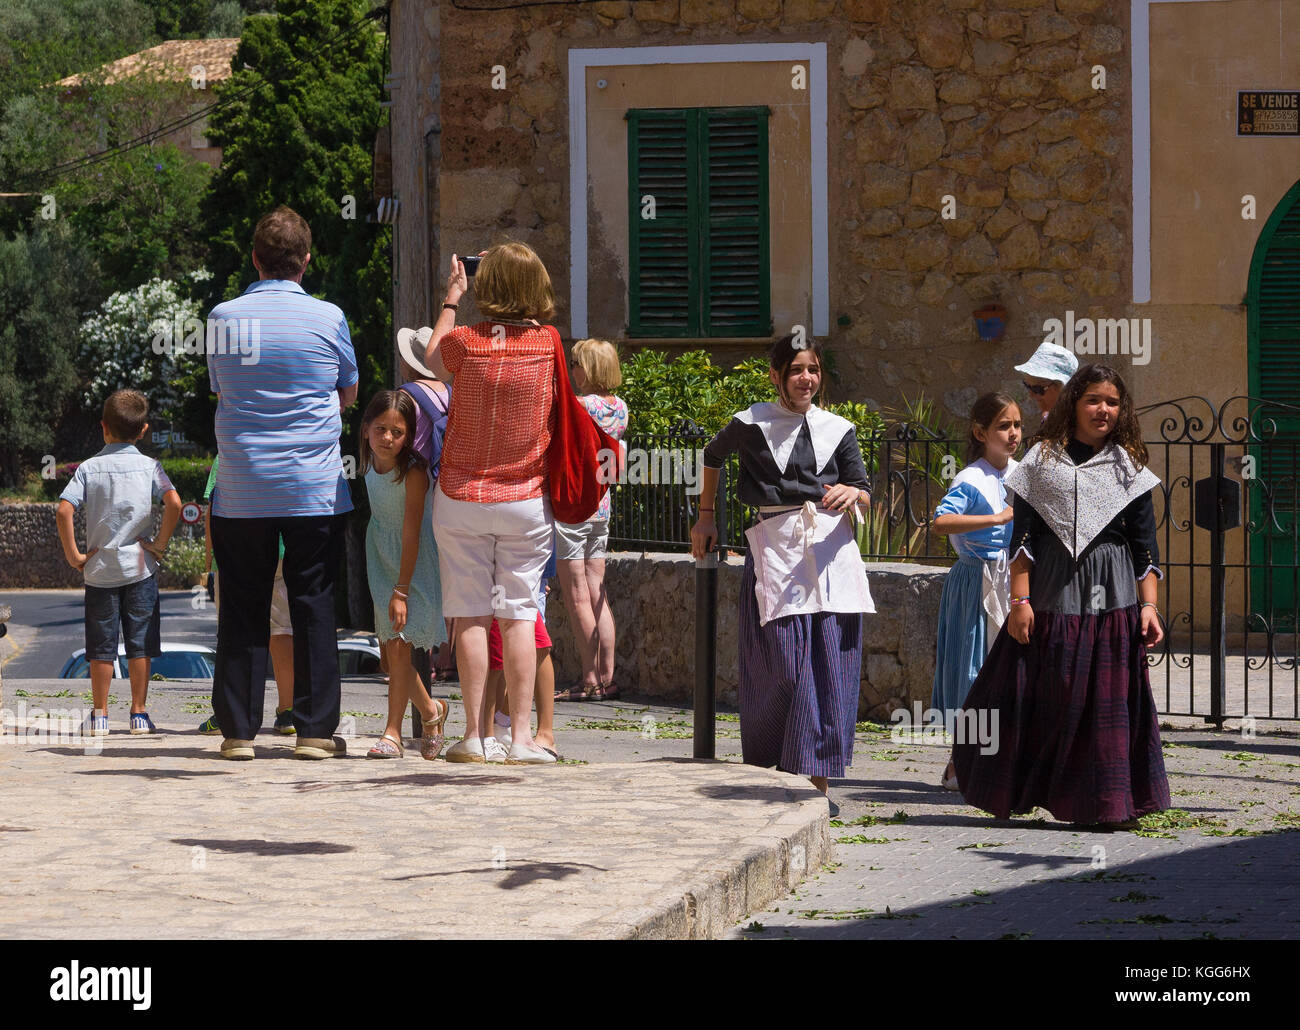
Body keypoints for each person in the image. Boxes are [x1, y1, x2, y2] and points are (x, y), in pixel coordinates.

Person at [953, 364, 1170, 827]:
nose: (1103, 409)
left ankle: (1102, 804)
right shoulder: (1041, 461)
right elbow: (1023, 539)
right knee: (1047, 692)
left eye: (1112, 402)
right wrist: (1020, 602)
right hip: (1052, 593)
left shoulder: (1128, 467)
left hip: (1112, 597)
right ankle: (1023, 787)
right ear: (1074, 403)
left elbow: (1145, 546)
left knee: (1103, 700)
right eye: (1094, 400)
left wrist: (1149, 606)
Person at [690, 334, 874, 810]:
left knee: (830, 666)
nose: (806, 378)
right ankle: (775, 767)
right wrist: (706, 516)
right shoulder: (752, 423)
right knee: (785, 663)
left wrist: (854, 494)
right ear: (776, 375)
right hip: (776, 549)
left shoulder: (838, 429)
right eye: (795, 370)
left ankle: (817, 787)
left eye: (813, 369)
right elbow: (712, 455)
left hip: (831, 554)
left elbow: (864, 489)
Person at [206, 205, 358, 761]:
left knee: (242, 605)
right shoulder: (330, 317)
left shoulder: (223, 317)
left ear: (255, 259)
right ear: (306, 261)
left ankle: (238, 733)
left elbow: (221, 388)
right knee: (313, 602)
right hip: (312, 487)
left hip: (242, 487)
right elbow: (348, 390)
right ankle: (314, 731)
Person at [424, 242, 560, 765]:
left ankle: (474, 736)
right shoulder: (548, 344)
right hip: (525, 497)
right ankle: (522, 738)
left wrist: (453, 296)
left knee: (471, 615)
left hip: (462, 496)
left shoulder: (464, 342)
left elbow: (430, 358)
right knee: (519, 615)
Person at [56, 389, 181, 736]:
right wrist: (158, 546)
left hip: (99, 573)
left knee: (101, 647)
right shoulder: (150, 467)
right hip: (141, 569)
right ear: (143, 430)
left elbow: (64, 510)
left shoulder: (88, 469)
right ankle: (139, 713)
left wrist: (75, 557)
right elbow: (174, 503)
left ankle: (100, 715)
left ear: (103, 427)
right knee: (140, 644)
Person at [930, 393, 1022, 790]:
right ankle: (960, 762)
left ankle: (1000, 763)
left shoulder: (1021, 474)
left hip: (1012, 581)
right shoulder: (970, 479)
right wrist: (996, 518)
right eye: (1004, 426)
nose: (1013, 433)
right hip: (975, 582)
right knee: (973, 670)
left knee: (1008, 672)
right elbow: (941, 522)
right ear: (981, 433)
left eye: (1017, 425)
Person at [358, 390, 450, 760]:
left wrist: (401, 591)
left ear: (409, 435)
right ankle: (432, 711)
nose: (387, 438)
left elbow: (412, 534)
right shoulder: (368, 464)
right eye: (381, 429)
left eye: (397, 432)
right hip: (380, 557)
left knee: (398, 648)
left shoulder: (413, 473)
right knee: (388, 657)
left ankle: (392, 734)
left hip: (412, 564)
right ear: (366, 428)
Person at [196, 456, 294, 735]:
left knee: (234, 634)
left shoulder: (229, 450)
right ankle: (288, 712)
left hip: (235, 554)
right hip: (280, 552)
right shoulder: (287, 447)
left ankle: (229, 713)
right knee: (282, 633)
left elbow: (213, 509)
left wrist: (209, 562)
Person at [554, 338, 628, 702]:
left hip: (573, 506)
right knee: (598, 592)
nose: (572, 370)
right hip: (601, 503)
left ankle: (589, 678)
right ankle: (607, 676)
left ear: (591, 368)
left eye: (576, 363)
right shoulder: (621, 408)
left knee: (577, 596)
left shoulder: (580, 405)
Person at [395, 324, 454, 727]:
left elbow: (404, 452)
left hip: (419, 497)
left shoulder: (408, 396)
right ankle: (441, 662)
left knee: (409, 602)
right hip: (453, 498)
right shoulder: (451, 393)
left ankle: (422, 716)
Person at [1014, 342, 1077, 424]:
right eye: (1028, 386)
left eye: (1037, 389)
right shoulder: (1051, 419)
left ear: (1061, 388)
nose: (1031, 395)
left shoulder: (1080, 423)